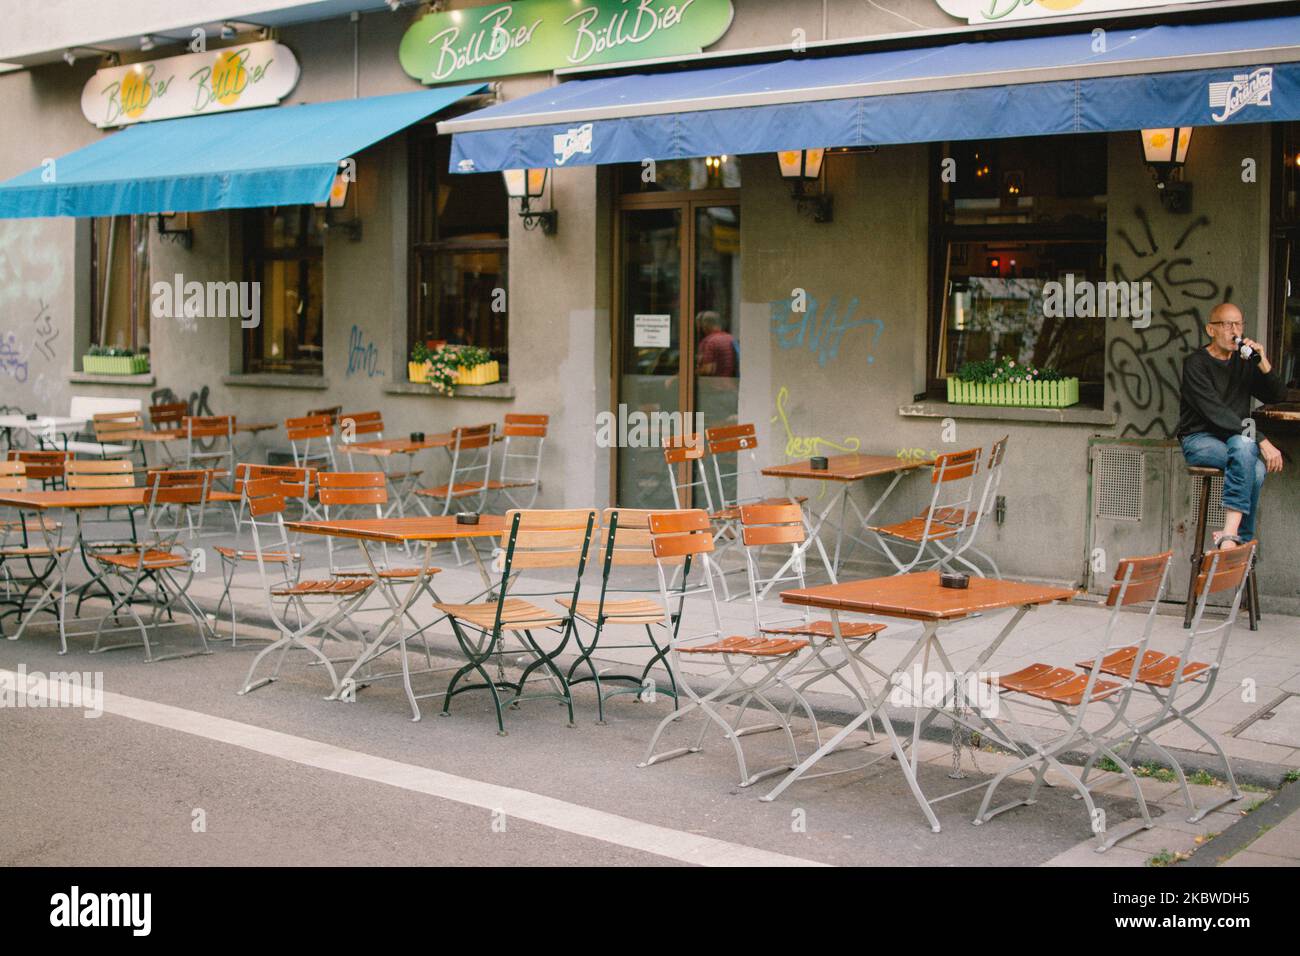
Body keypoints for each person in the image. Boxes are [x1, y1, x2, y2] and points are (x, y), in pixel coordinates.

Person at [1176, 302, 1286, 549]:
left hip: (1236, 439)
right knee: (1249, 454)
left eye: (1238, 324)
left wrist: (1263, 362)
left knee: (1253, 464)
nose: (1234, 331)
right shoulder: (1196, 364)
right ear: (1210, 329)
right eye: (1227, 324)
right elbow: (1218, 414)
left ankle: (1231, 536)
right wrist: (1261, 440)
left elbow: (1277, 395)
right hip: (1199, 439)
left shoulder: (1244, 361)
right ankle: (1240, 538)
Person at [695, 311, 737, 377]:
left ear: (705, 325)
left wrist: (690, 373)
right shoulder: (731, 338)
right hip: (731, 383)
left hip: (714, 384)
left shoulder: (709, 342)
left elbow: (707, 370)